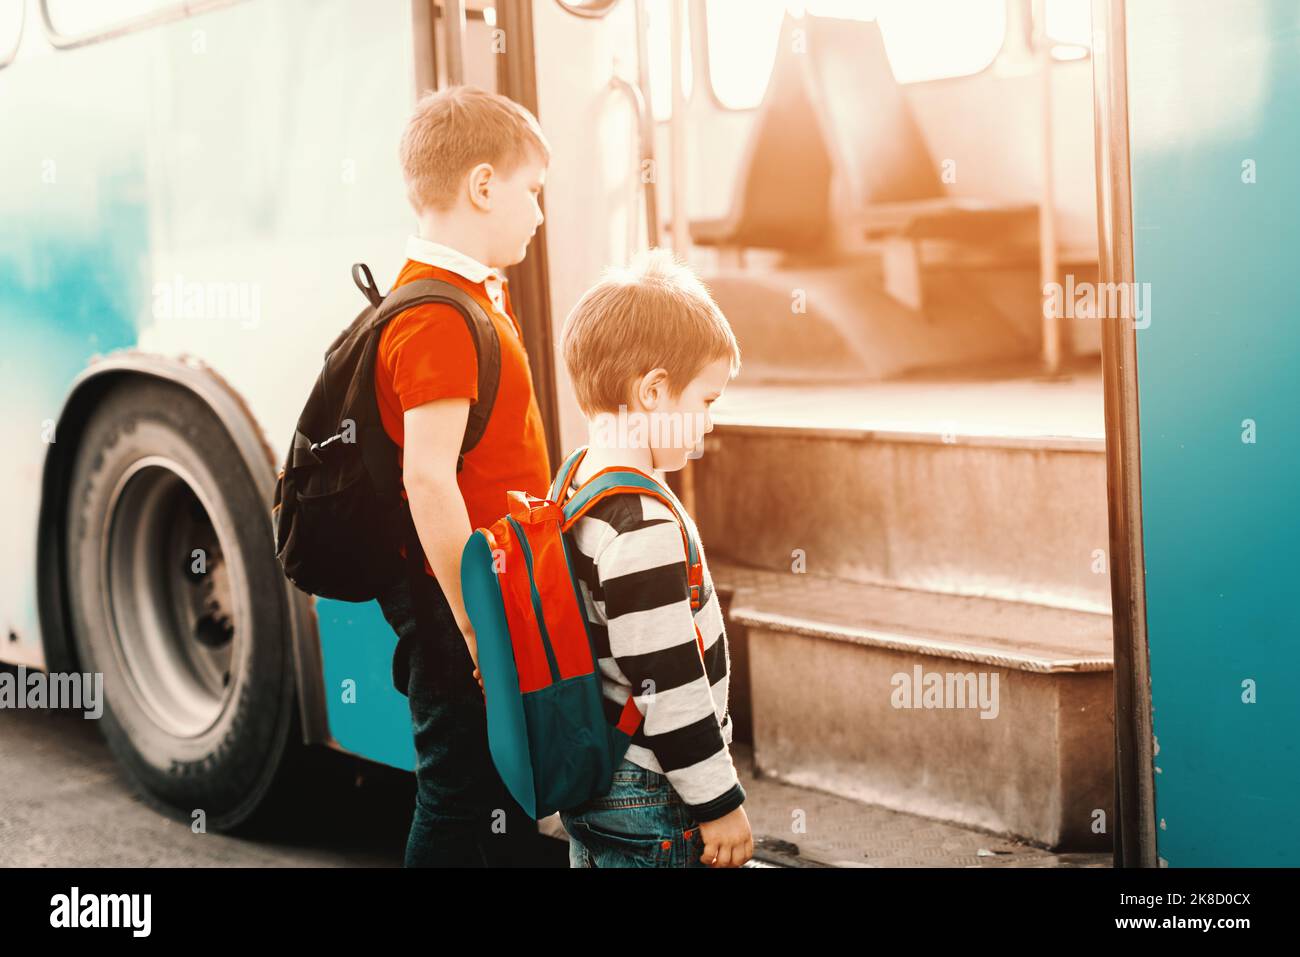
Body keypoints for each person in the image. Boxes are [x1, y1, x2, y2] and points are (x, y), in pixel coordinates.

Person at [372, 85, 552, 867]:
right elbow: (429, 478)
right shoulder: (437, 318)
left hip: (480, 587)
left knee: (492, 789)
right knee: (455, 791)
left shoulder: (466, 293)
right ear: (482, 186)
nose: (539, 214)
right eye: (532, 191)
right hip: (457, 600)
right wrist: (476, 622)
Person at [555, 249, 753, 868]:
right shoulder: (640, 524)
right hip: (650, 786)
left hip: (602, 772)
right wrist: (718, 803)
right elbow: (668, 684)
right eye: (707, 401)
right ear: (654, 391)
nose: (709, 424)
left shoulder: (576, 480)